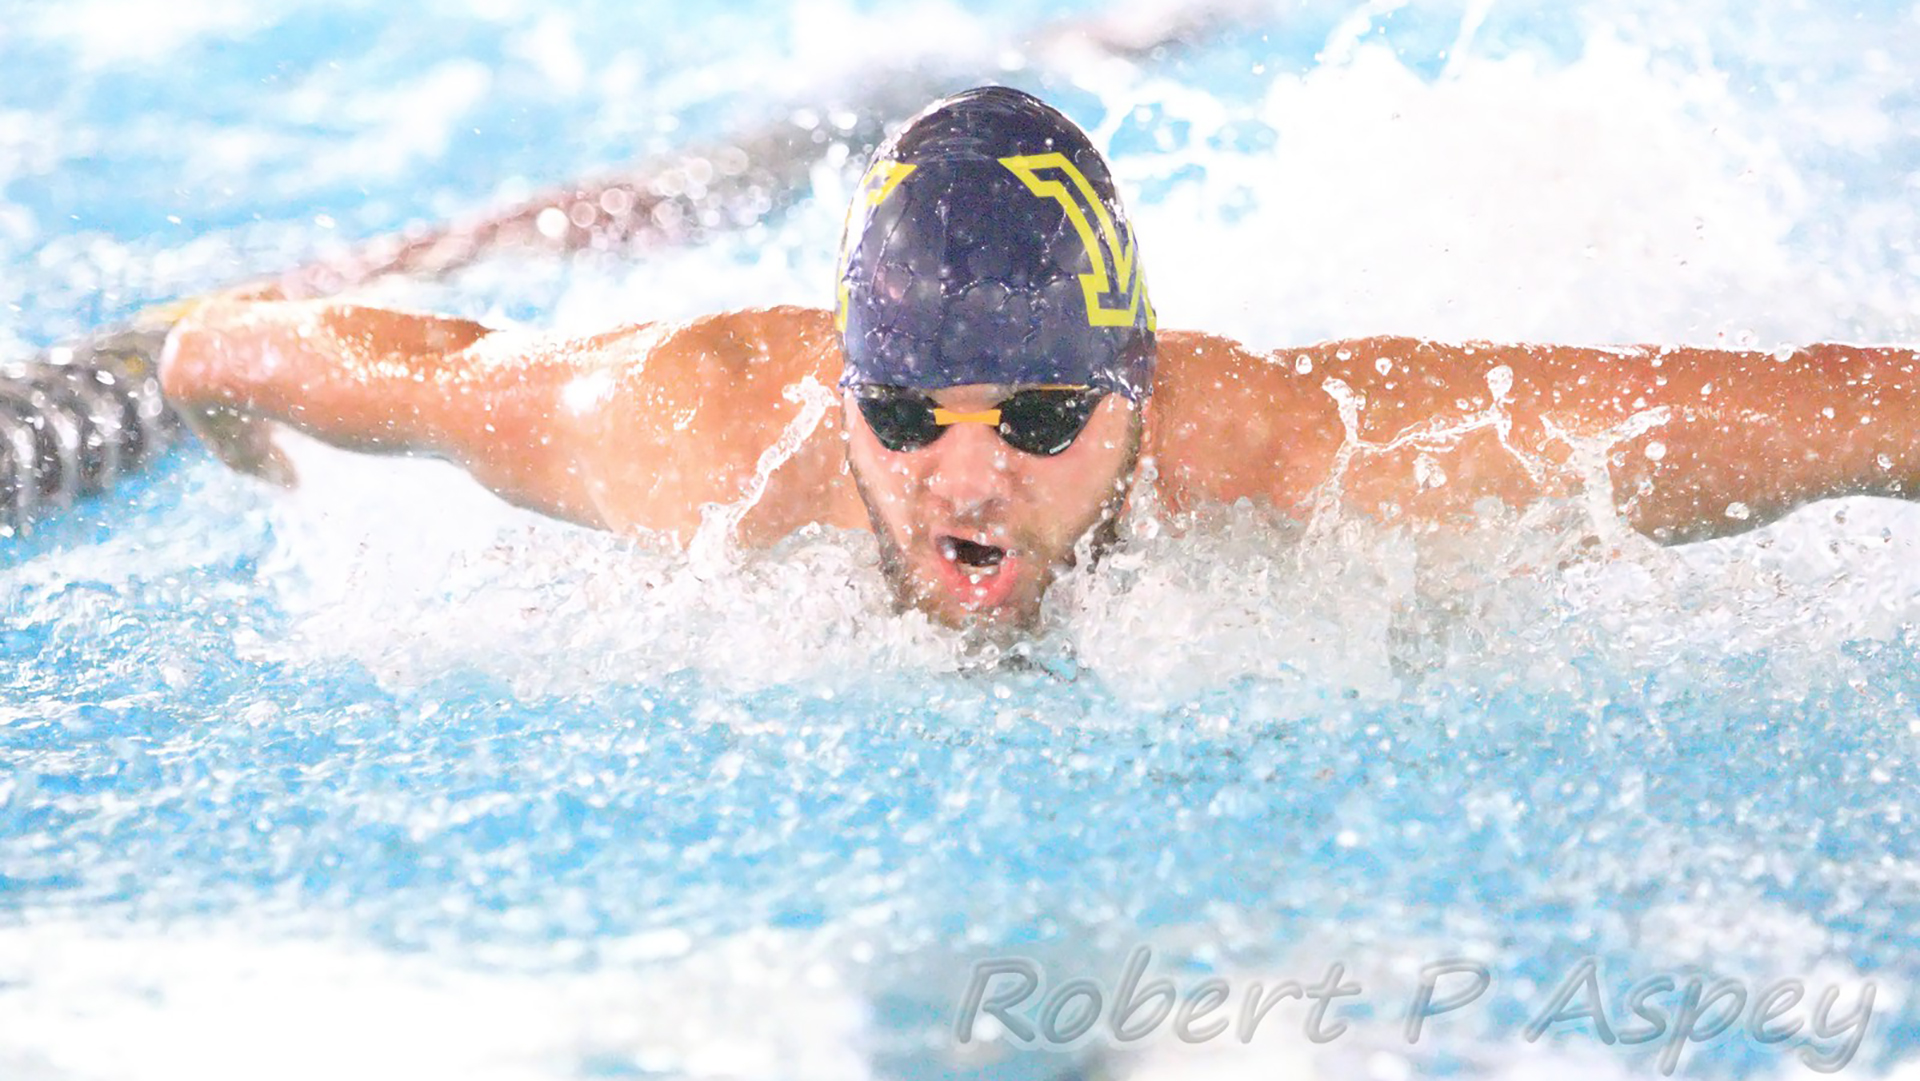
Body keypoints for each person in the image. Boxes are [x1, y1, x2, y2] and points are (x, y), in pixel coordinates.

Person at [159, 85, 1920, 633]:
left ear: (1133, 393)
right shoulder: (687, 432)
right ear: (843, 391)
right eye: (911, 414)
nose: (972, 474)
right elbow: (267, 353)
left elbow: (1835, 410)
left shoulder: (1289, 448)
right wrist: (232, 413)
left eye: (1047, 413)